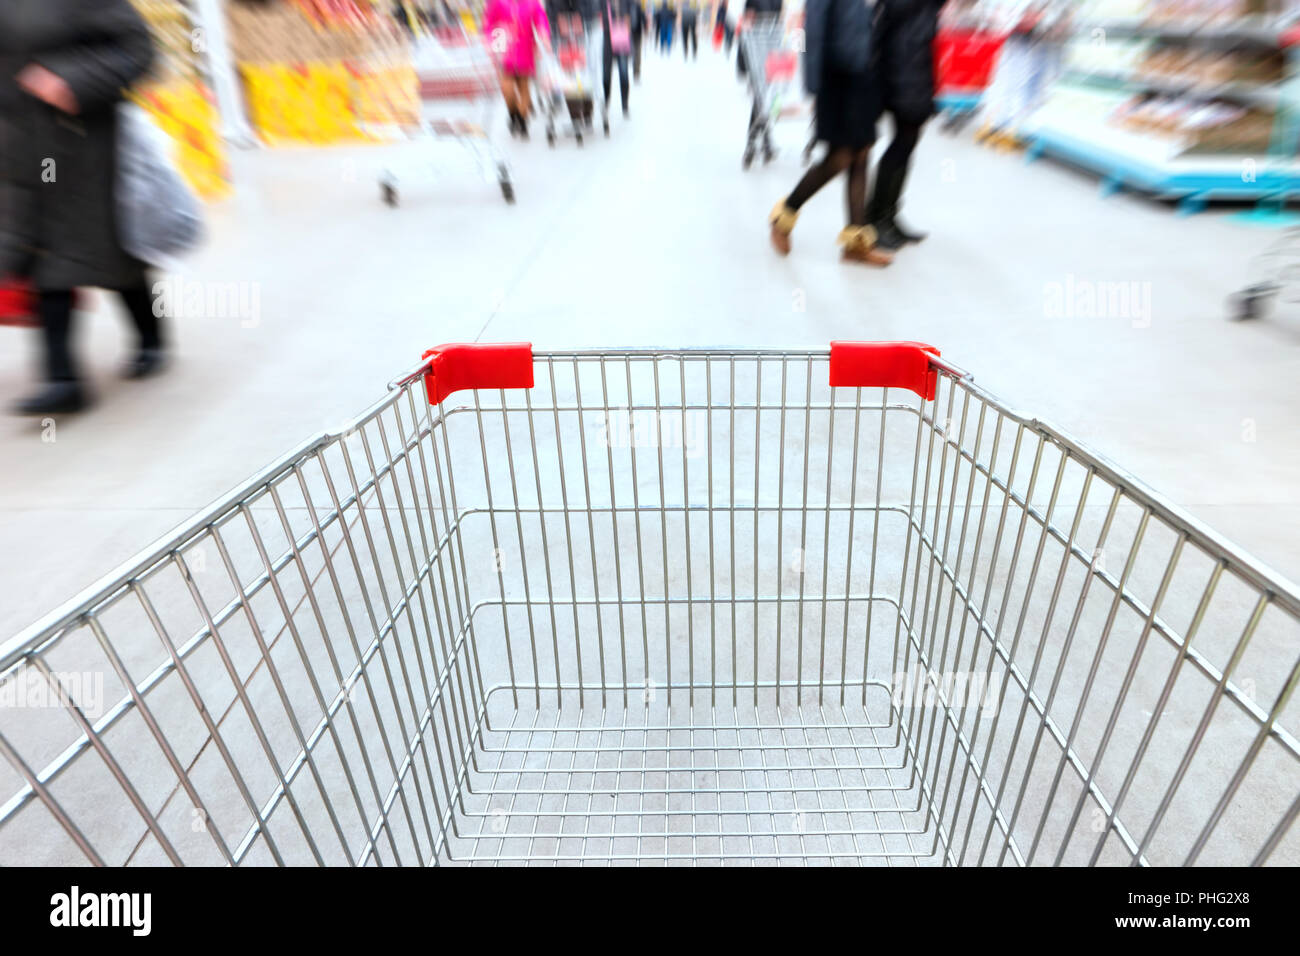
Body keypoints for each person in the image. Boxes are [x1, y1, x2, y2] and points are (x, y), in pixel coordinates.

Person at [0, 0, 162, 415]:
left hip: (80, 141)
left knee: (106, 251)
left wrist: (70, 81)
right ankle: (64, 379)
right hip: (18, 148)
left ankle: (149, 336)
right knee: (42, 256)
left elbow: (138, 49)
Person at [768, 0, 887, 265]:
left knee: (862, 153)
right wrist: (814, 84)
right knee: (840, 158)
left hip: (862, 76)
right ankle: (784, 216)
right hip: (836, 79)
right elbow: (815, 25)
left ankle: (856, 243)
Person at [865, 0, 944, 254]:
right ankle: (876, 218)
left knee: (907, 141)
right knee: (903, 141)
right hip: (902, 66)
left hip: (915, 62)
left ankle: (888, 215)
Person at [485, 0, 551, 138]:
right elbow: (489, 23)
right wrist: (490, 42)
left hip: (525, 50)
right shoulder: (499, 3)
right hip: (504, 50)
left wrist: (544, 35)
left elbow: (541, 19)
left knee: (524, 88)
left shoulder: (532, 3)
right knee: (507, 89)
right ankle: (513, 113)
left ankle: (522, 121)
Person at [601, 0, 637, 117]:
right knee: (606, 74)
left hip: (622, 38)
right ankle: (606, 101)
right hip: (607, 38)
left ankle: (625, 105)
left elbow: (633, 14)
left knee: (624, 73)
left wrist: (629, 20)